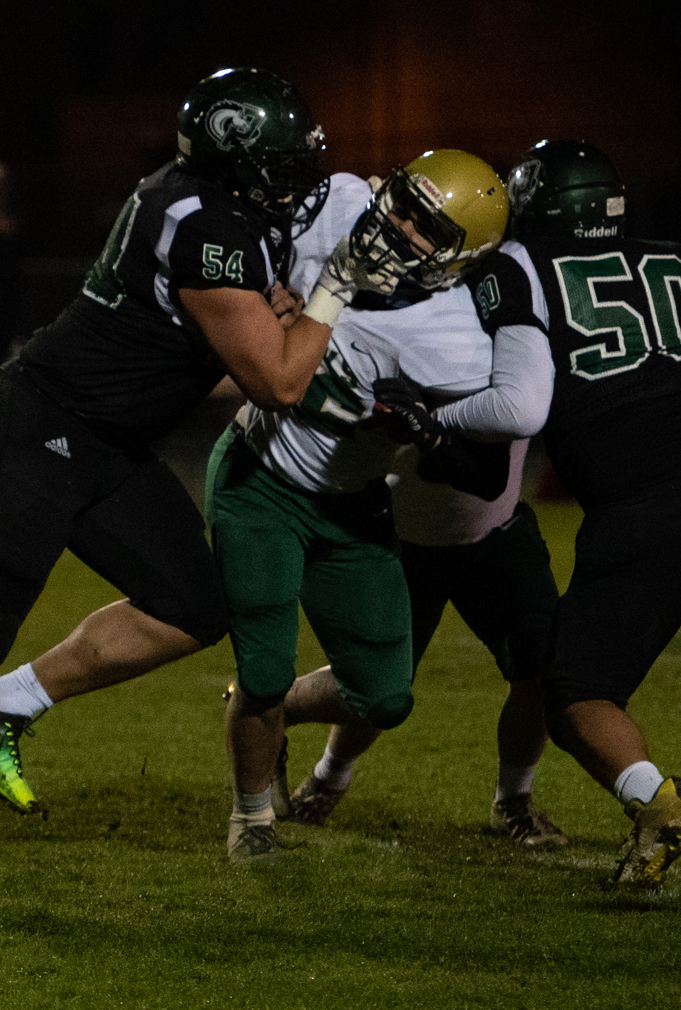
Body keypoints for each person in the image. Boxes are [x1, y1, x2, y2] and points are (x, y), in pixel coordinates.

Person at [0, 67, 406, 872]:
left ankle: (8, 706)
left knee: (194, 603)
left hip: (106, 441)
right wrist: (336, 288)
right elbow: (275, 378)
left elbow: (268, 341)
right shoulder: (209, 226)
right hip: (37, 428)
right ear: (237, 159)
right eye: (280, 163)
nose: (294, 181)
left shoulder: (217, 205)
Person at [207, 151, 528, 861]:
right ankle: (252, 816)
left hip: (352, 507)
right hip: (261, 476)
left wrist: (430, 431)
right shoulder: (336, 205)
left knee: (385, 696)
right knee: (263, 664)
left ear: (463, 255)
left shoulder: (457, 343)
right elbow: (236, 246)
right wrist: (266, 301)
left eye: (427, 227)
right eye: (405, 205)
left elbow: (482, 473)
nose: (401, 226)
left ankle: (272, 712)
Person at [486, 140, 681, 889]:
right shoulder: (679, 257)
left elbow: (513, 388)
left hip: (637, 508)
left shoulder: (520, 264)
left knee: (579, 691)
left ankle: (655, 804)